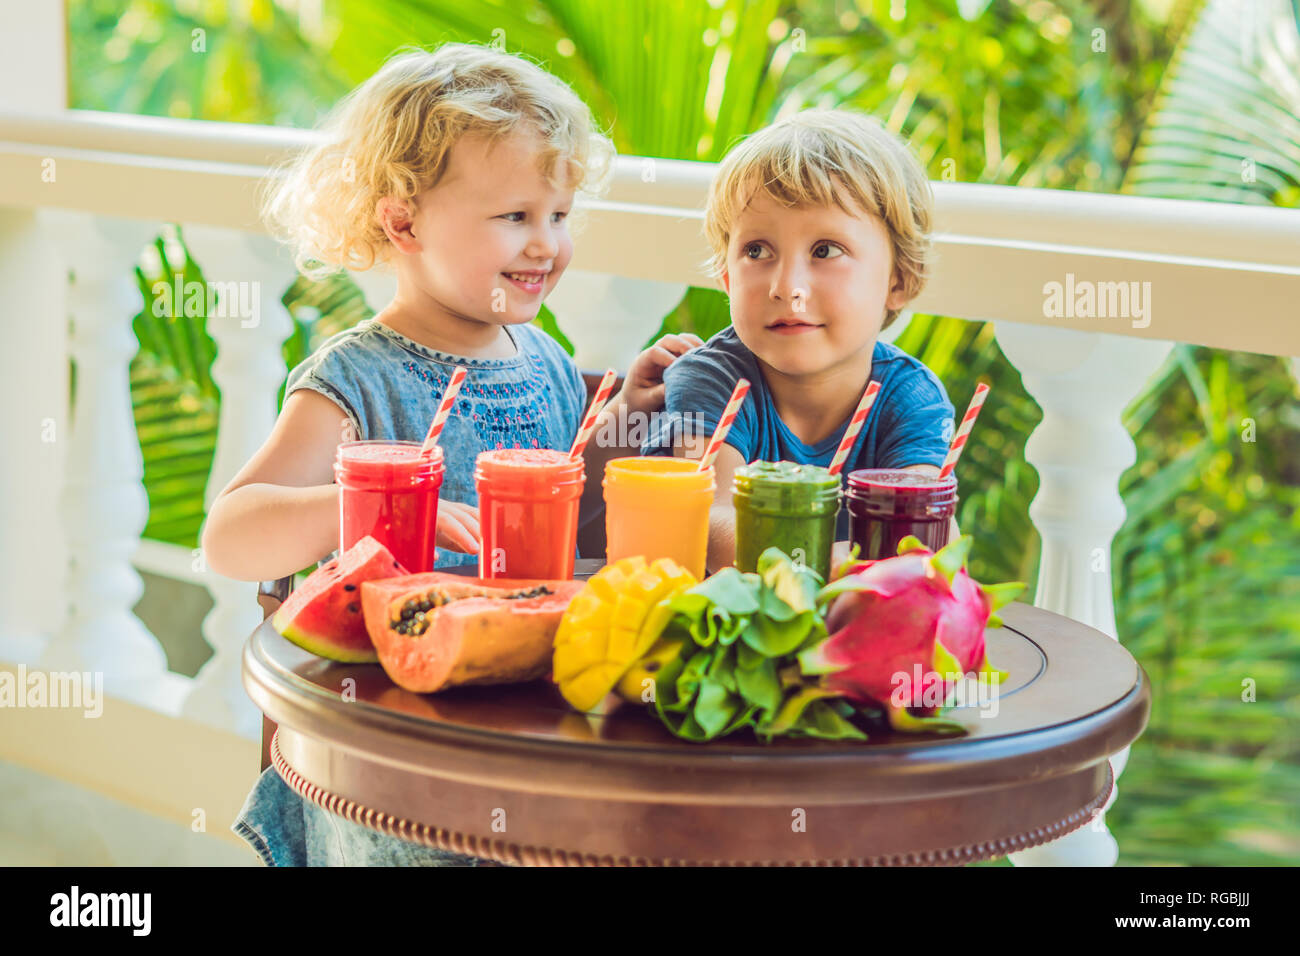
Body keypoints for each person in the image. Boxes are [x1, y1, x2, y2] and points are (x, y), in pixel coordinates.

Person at [202, 43, 700, 866]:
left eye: (560, 216)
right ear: (402, 221)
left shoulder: (538, 352)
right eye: (514, 217)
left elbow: (578, 497)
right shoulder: (356, 377)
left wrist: (628, 417)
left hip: (529, 722)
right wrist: (365, 508)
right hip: (396, 749)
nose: (546, 245)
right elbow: (230, 535)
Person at [642, 109, 958, 572]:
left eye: (825, 250)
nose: (786, 286)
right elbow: (704, 522)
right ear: (728, 277)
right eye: (757, 251)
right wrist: (830, 562)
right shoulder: (711, 379)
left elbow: (921, 537)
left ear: (898, 280)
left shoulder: (912, 399)